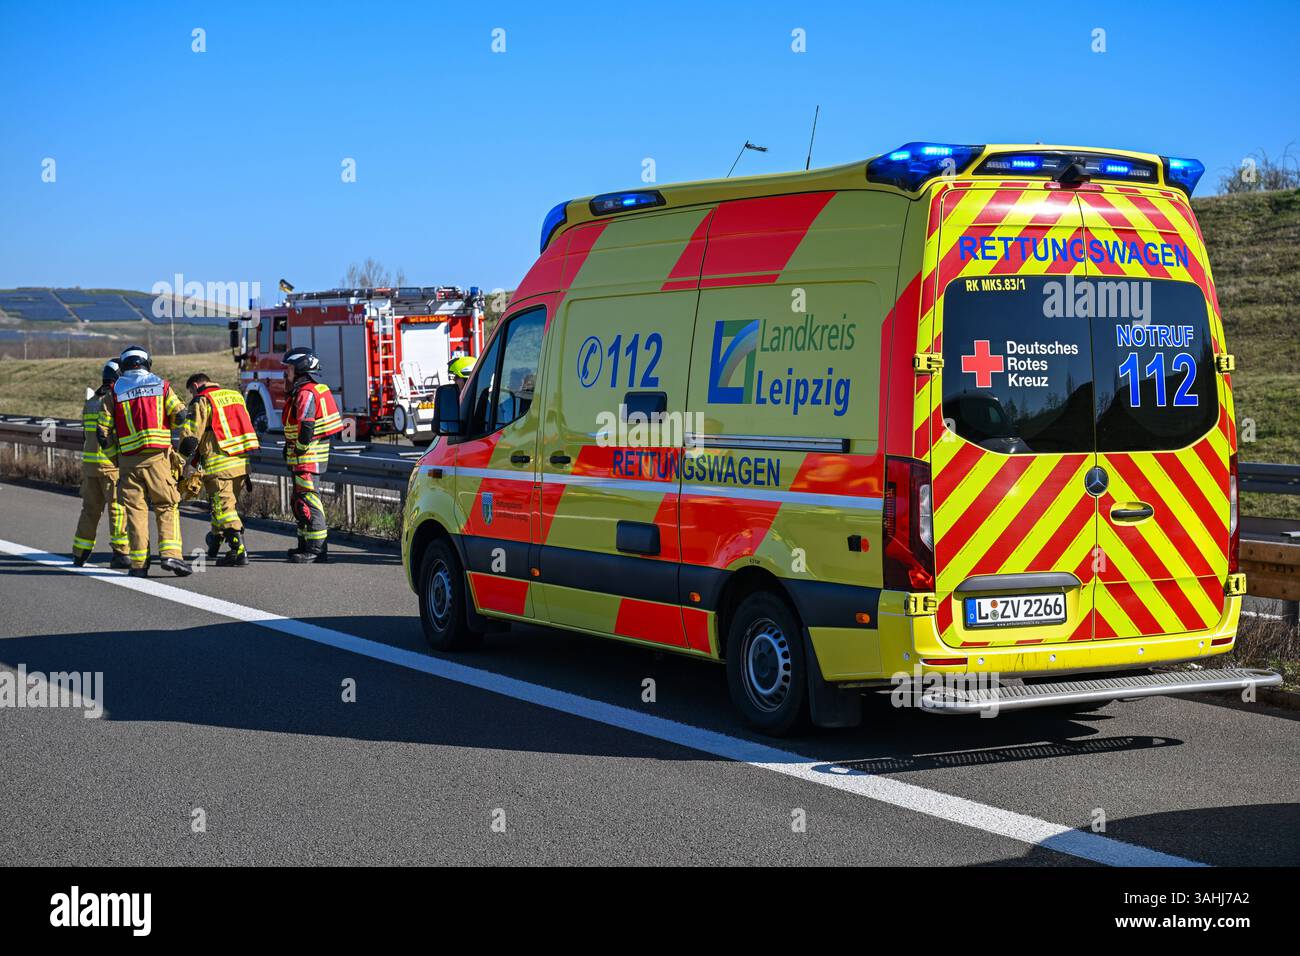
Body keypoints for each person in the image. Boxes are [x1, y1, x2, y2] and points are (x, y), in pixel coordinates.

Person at [98, 345, 193, 577]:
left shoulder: (115, 392)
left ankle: (139, 565)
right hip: (157, 458)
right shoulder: (160, 385)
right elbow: (180, 414)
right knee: (166, 505)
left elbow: (102, 433)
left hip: (128, 462)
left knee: (135, 511)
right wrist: (175, 437)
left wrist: (115, 458)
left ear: (124, 365)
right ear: (146, 363)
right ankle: (171, 555)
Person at [182, 372, 260, 567]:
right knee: (222, 505)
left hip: (219, 466)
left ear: (196, 385)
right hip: (241, 464)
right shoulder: (235, 396)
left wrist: (180, 459)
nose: (192, 395)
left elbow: (191, 436)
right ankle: (215, 541)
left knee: (224, 509)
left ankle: (238, 551)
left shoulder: (202, 400)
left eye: (192, 391)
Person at [280, 347, 344, 563]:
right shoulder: (303, 391)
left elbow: (307, 427)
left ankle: (317, 550)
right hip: (301, 458)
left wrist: (298, 448)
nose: (285, 373)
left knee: (309, 501)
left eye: (288, 368)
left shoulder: (306, 393)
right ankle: (304, 545)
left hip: (307, 459)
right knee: (300, 502)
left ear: (300, 369)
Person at [72, 360, 130, 569]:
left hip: (90, 468)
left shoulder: (91, 401)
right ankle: (122, 553)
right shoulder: (115, 400)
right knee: (118, 509)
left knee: (90, 510)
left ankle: (80, 553)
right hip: (110, 465)